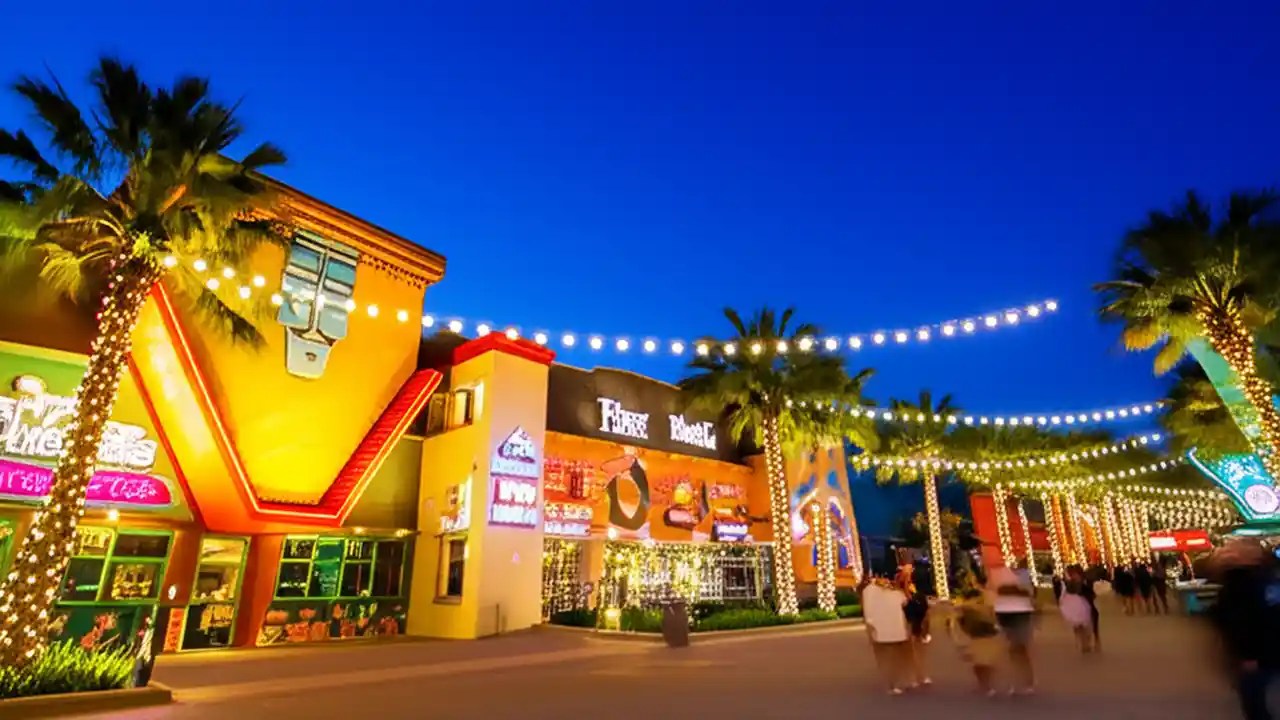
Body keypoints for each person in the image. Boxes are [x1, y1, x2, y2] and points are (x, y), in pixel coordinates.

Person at [1210, 539, 1280, 720]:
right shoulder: (1263, 577)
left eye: (1233, 551)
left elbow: (1250, 618)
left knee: (1255, 705)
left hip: (1255, 654)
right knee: (1255, 702)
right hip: (1258, 652)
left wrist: (1249, 655)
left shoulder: (1245, 582)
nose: (1226, 554)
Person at [990, 560, 1036, 694]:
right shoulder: (997, 577)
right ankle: (1019, 682)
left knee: (1018, 651)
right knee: (1014, 651)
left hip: (1017, 617)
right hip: (1009, 617)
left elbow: (1029, 594)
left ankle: (1025, 681)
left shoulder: (1020, 578)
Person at [860, 575, 912, 695]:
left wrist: (870, 626)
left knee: (886, 657)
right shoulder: (895, 591)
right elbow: (905, 602)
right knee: (895, 657)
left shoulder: (868, 591)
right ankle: (894, 682)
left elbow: (868, 611)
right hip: (895, 629)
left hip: (881, 630)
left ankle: (892, 683)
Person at [949, 588, 1002, 696]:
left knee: (984, 662)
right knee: (978, 663)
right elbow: (954, 620)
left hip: (987, 636)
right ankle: (984, 685)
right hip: (977, 636)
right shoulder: (966, 607)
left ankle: (987, 686)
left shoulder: (984, 607)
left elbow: (994, 618)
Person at [899, 575, 932, 688]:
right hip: (909, 627)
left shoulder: (919, 597)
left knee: (918, 655)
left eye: (910, 584)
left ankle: (920, 677)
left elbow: (926, 614)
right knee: (911, 655)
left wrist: (926, 629)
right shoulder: (902, 599)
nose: (909, 586)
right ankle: (914, 678)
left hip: (917, 627)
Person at [1060, 565, 1095, 653]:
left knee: (1080, 625)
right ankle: (1084, 643)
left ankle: (1083, 643)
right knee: (1081, 625)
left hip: (1075, 603)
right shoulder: (1075, 580)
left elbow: (1074, 591)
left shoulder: (1073, 581)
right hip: (1076, 602)